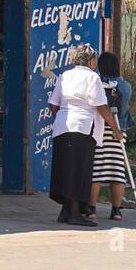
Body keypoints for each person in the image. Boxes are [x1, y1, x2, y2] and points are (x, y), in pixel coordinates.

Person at [48, 44, 124, 227]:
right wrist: (115, 128)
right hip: (83, 128)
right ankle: (75, 214)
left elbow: (53, 104)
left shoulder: (65, 76)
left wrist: (61, 118)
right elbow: (100, 105)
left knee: (66, 170)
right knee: (79, 172)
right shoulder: (92, 77)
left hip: (62, 127)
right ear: (91, 61)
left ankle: (66, 212)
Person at [89, 51, 135, 221]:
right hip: (118, 131)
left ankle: (91, 208)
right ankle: (116, 210)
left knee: (96, 170)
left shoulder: (96, 83)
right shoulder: (126, 86)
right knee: (116, 171)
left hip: (98, 130)